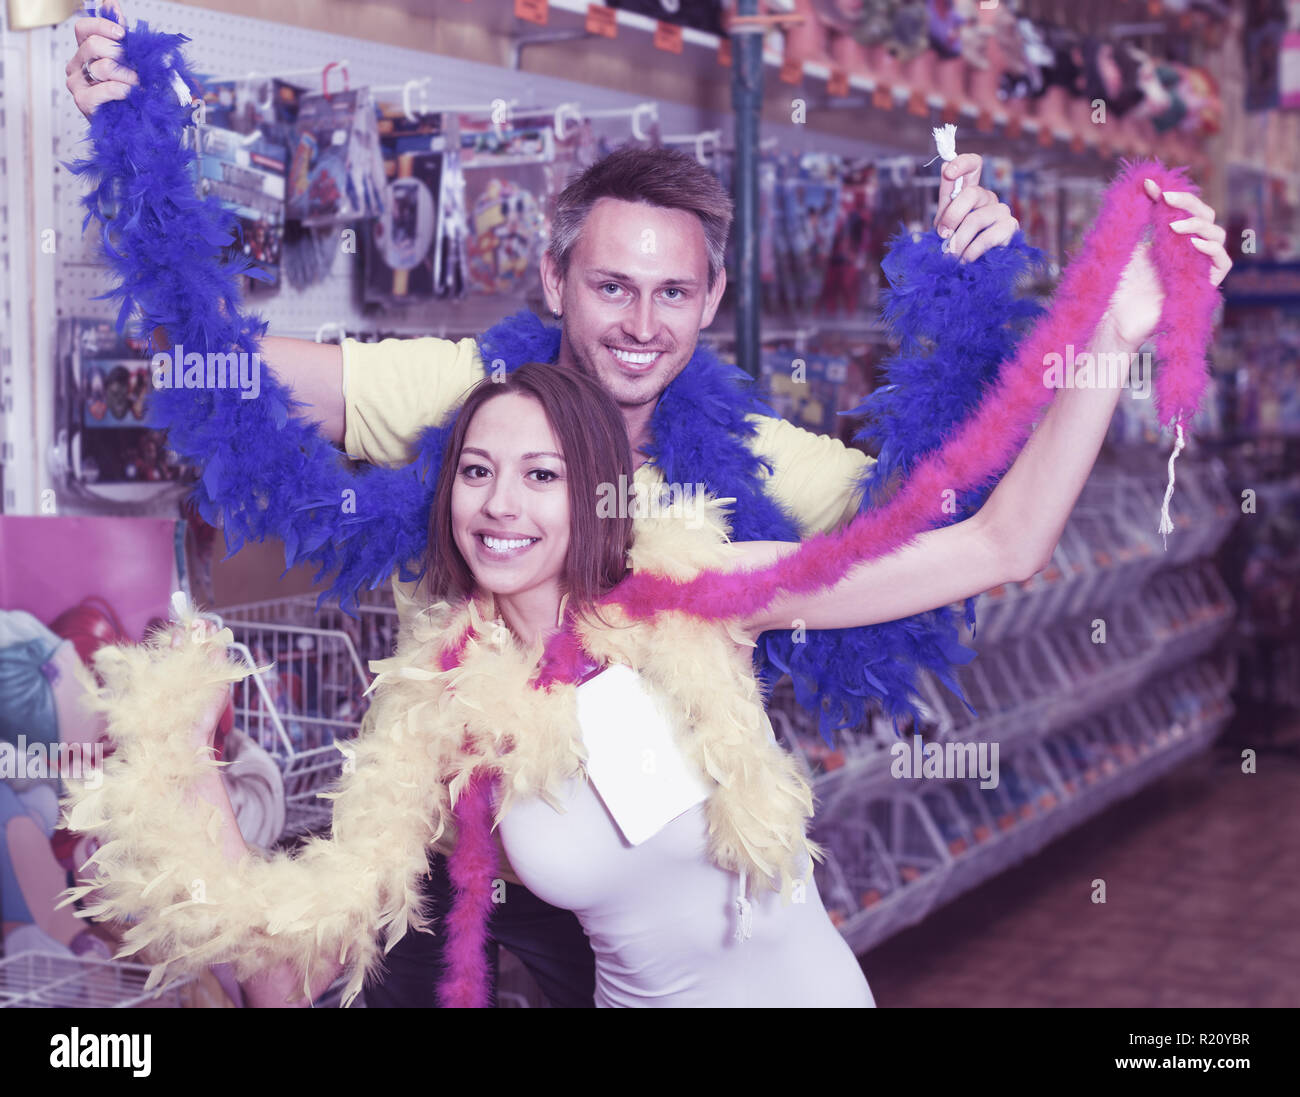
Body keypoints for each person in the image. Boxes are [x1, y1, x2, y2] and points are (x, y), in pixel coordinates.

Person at [63, 2, 1231, 1007]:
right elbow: (287, 966)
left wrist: (1088, 323)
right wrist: (173, 766)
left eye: (671, 290)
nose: (504, 503)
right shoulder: (446, 697)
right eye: (474, 471)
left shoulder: (703, 590)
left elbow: (985, 527)